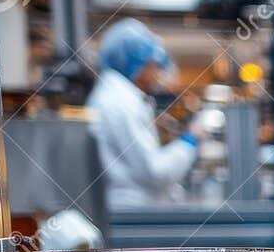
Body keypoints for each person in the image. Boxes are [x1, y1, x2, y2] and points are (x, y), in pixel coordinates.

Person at [87, 19, 203, 208]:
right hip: (130, 209)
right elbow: (154, 172)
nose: (157, 72)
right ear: (137, 63)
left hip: (126, 207)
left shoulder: (115, 95)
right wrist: (190, 140)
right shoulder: (121, 101)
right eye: (153, 64)